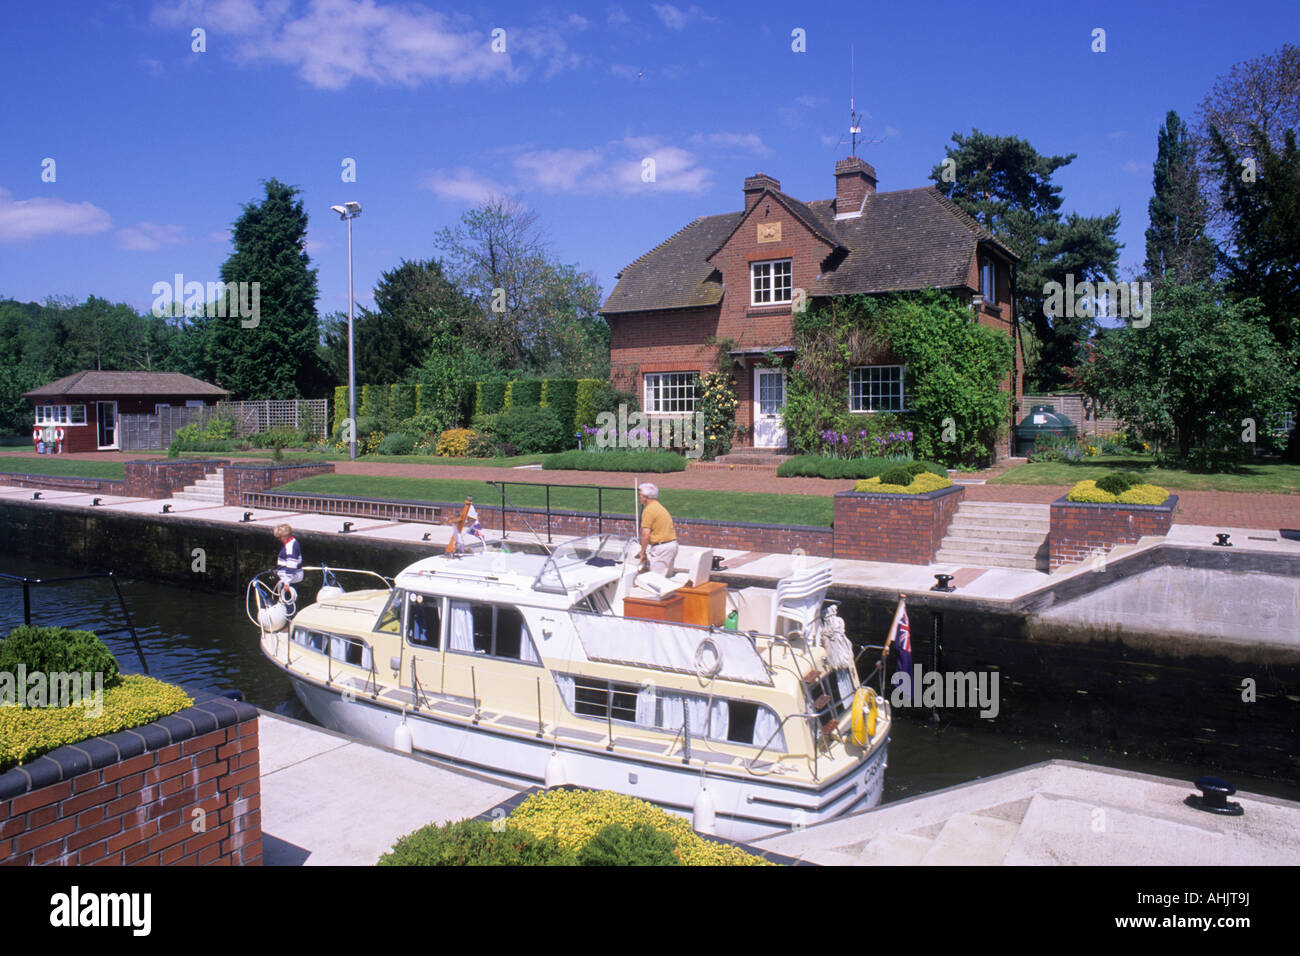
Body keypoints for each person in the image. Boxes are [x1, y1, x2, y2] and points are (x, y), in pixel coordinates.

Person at [637, 483, 678, 577]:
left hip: (662, 549)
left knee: (655, 581)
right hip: (671, 546)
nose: (639, 497)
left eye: (640, 494)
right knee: (666, 579)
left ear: (645, 496)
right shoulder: (659, 507)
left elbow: (645, 534)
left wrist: (643, 553)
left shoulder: (649, 510)